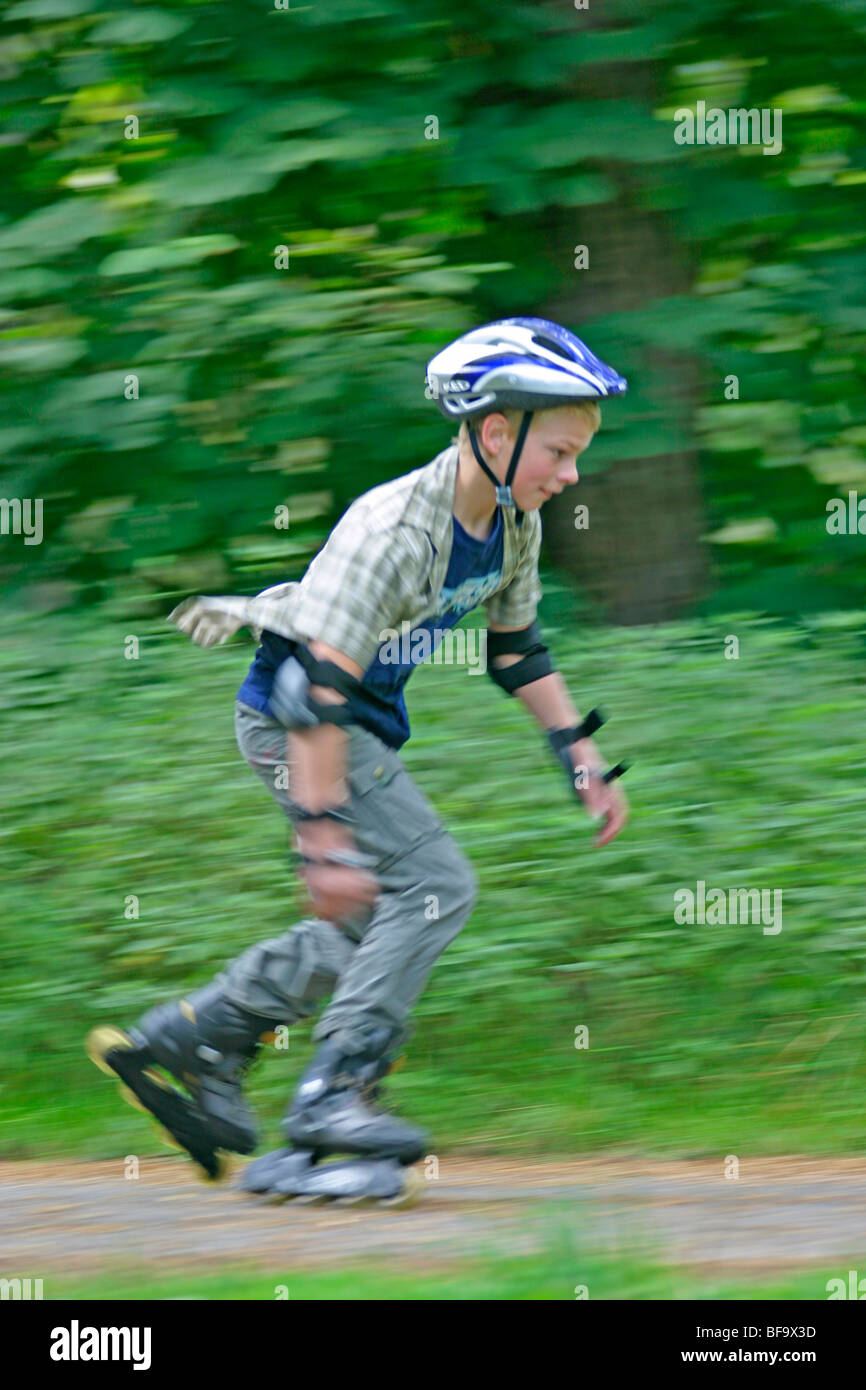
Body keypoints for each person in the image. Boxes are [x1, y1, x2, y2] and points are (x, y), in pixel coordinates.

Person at [87, 317, 630, 1203]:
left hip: (354, 718)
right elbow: (313, 694)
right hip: (298, 719)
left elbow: (517, 651)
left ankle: (200, 1032)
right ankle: (334, 1090)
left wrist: (581, 756)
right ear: (497, 432)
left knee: (375, 922)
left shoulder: (512, 524)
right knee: (433, 887)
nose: (572, 474)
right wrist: (322, 838)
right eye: (561, 452)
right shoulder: (389, 528)